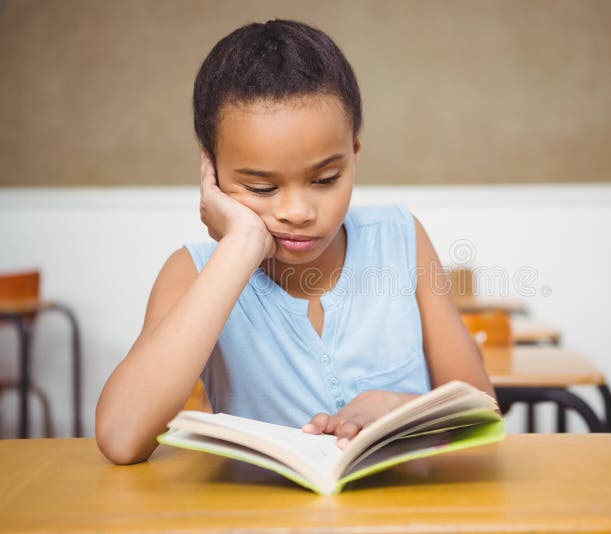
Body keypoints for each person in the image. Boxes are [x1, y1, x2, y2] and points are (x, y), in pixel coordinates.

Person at [95, 19, 494, 465]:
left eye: (326, 179)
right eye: (263, 189)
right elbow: (121, 437)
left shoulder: (401, 238)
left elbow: (481, 408)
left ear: (354, 153)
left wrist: (399, 408)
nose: (299, 211)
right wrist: (240, 246)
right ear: (213, 174)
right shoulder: (193, 272)